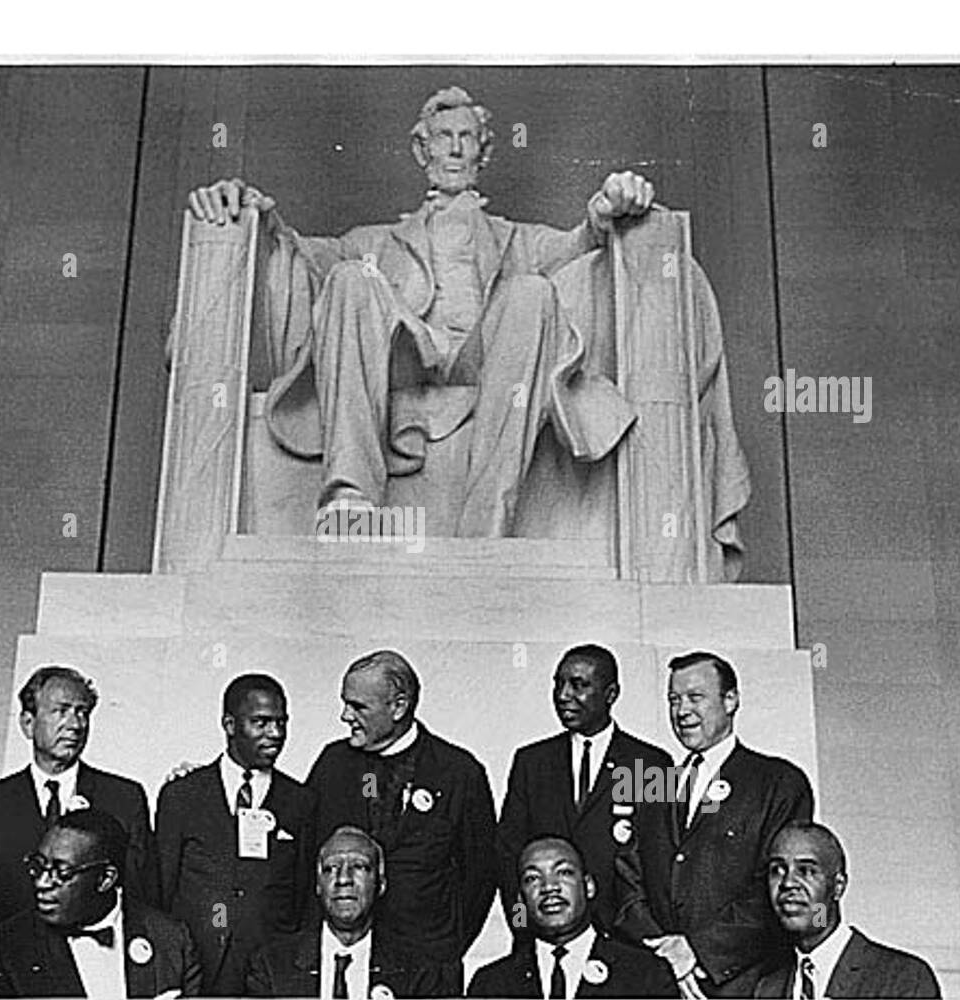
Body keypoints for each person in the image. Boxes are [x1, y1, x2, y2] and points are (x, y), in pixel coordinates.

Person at [188, 86, 653, 535]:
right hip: (406, 357)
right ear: (421, 150)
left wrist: (606, 208)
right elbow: (298, 254)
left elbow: (579, 244)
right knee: (351, 278)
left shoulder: (518, 239)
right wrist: (257, 216)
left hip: (488, 359)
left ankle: (487, 522)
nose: (454, 148)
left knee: (531, 292)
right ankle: (352, 500)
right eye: (443, 137)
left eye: (466, 137)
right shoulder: (372, 242)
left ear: (483, 153)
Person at [616, 651, 814, 998]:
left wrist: (696, 951)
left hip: (747, 988)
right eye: (673, 700)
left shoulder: (778, 782)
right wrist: (667, 956)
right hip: (658, 983)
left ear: (731, 700)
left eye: (695, 697)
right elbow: (628, 877)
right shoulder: (652, 782)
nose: (681, 711)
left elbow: (777, 886)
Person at [304, 650, 497, 993]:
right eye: (345, 703)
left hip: (428, 971)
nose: (344, 715)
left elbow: (480, 878)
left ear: (399, 706)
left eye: (358, 706)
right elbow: (305, 858)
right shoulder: (332, 766)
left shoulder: (459, 773)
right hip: (346, 967)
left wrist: (442, 949)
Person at [153, 674, 317, 996]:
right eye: (261, 722)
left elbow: (304, 896)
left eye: (281, 723)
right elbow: (162, 885)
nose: (276, 734)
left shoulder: (301, 802)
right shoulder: (181, 795)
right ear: (229, 724)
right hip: (196, 965)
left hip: (270, 970)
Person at [497, 644, 672, 935]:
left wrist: (646, 932)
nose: (563, 695)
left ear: (611, 694)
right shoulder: (532, 762)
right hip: (547, 941)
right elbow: (508, 860)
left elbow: (657, 861)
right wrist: (522, 927)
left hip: (623, 944)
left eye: (578, 685)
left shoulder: (650, 764)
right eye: (559, 684)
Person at [0, 666, 156, 927]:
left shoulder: (124, 799)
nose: (76, 724)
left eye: (82, 713)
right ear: (27, 723)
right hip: (11, 959)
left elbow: (141, 896)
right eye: (61, 711)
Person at [0, 808, 200, 999]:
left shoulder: (171, 939)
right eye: (39, 866)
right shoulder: (8, 947)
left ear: (106, 879)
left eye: (63, 872)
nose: (42, 882)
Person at [245, 826, 447, 999]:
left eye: (359, 866)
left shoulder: (420, 972)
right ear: (318, 885)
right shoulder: (271, 965)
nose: (343, 879)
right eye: (331, 868)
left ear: (381, 883)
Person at [467, 835, 675, 998]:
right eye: (532, 878)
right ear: (521, 898)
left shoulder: (646, 975)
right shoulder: (490, 985)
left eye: (564, 872)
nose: (549, 887)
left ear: (589, 886)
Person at [753, 822, 941, 1000]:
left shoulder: (905, 977)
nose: (788, 883)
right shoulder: (767, 989)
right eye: (777, 869)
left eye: (806, 871)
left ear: (838, 886)